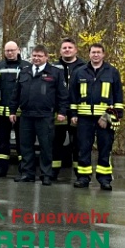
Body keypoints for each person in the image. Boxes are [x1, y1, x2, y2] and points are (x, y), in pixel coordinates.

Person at [9, 45, 69, 185]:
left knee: (46, 146)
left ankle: (46, 174)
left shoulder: (55, 73)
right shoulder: (24, 72)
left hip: (45, 115)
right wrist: (12, 111)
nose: (36, 58)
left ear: (46, 57)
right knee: (25, 146)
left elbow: (63, 95)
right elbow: (15, 94)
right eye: (34, 55)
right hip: (26, 115)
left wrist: (62, 112)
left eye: (39, 56)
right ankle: (27, 173)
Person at [70, 43, 123, 191]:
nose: (96, 55)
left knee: (105, 148)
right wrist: (73, 114)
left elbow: (118, 96)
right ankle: (83, 178)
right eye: (93, 52)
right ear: (89, 54)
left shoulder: (112, 72)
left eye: (98, 52)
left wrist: (112, 117)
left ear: (103, 54)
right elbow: (73, 95)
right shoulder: (79, 72)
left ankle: (104, 179)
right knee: (83, 148)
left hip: (104, 119)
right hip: (84, 118)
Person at [0, 41, 30, 177]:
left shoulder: (27, 66)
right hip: (2, 112)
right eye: (7, 50)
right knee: (2, 141)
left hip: (21, 113)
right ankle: (2, 169)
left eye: (12, 50)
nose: (10, 53)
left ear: (18, 50)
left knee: (23, 142)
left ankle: (23, 169)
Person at [50, 38, 85, 181]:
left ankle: (79, 174)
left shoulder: (84, 67)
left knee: (78, 143)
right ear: (60, 51)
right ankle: (53, 172)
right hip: (59, 112)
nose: (67, 50)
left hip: (76, 112)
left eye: (70, 47)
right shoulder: (53, 67)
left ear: (76, 50)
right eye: (64, 48)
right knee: (55, 142)